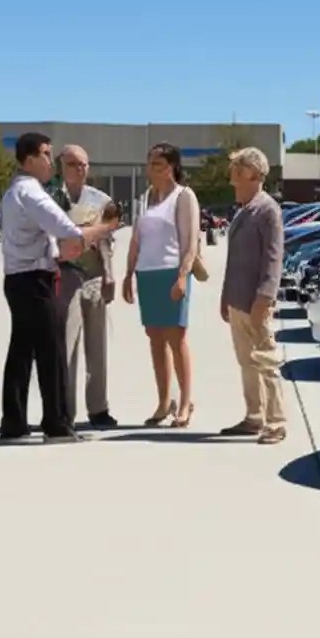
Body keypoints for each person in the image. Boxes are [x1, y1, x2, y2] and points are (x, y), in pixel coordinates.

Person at [0, 132, 119, 443]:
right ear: (29, 159)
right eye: (46, 155)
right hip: (35, 280)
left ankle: (14, 424)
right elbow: (69, 232)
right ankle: (56, 424)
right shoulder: (34, 194)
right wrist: (105, 227)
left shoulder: (15, 191)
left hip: (18, 278)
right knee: (51, 352)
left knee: (21, 353)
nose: (49, 162)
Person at [121, 142, 200, 428]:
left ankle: (186, 402)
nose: (150, 170)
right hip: (147, 273)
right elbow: (135, 239)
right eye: (149, 163)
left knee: (176, 339)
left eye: (156, 164)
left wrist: (182, 275)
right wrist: (129, 274)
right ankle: (164, 401)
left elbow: (190, 241)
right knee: (155, 339)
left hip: (172, 272)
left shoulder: (184, 196)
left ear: (170, 168)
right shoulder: (145, 199)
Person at [219, 147, 286, 444]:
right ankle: (254, 416)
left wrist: (265, 298)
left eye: (238, 172)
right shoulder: (244, 210)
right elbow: (234, 259)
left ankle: (276, 422)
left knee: (266, 362)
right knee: (247, 362)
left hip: (256, 302)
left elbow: (273, 259)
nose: (232, 179)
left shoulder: (268, 210)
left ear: (254, 175)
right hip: (237, 300)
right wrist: (225, 297)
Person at [53, 144, 119, 429]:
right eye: (72, 164)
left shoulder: (102, 200)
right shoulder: (50, 199)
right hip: (63, 277)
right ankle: (64, 411)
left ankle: (99, 408)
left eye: (83, 164)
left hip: (93, 275)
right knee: (67, 345)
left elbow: (106, 239)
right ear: (61, 167)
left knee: (97, 345)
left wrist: (109, 273)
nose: (79, 169)